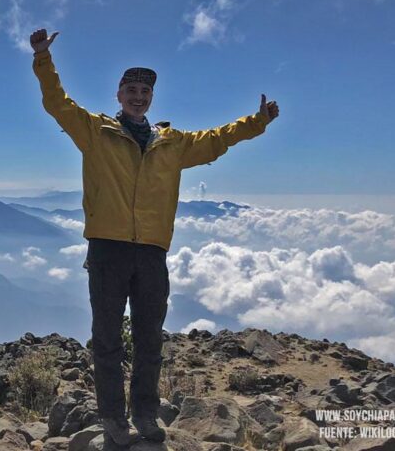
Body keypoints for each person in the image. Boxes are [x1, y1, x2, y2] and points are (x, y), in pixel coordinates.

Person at [29, 28, 279, 445]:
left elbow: (217, 140)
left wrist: (257, 122)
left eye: (144, 90)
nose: (138, 96)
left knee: (149, 340)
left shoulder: (173, 144)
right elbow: (57, 103)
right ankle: (113, 418)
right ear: (118, 94)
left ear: (151, 97)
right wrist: (42, 57)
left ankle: (144, 414)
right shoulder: (95, 131)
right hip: (107, 248)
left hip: (151, 252)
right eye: (131, 89)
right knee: (107, 340)